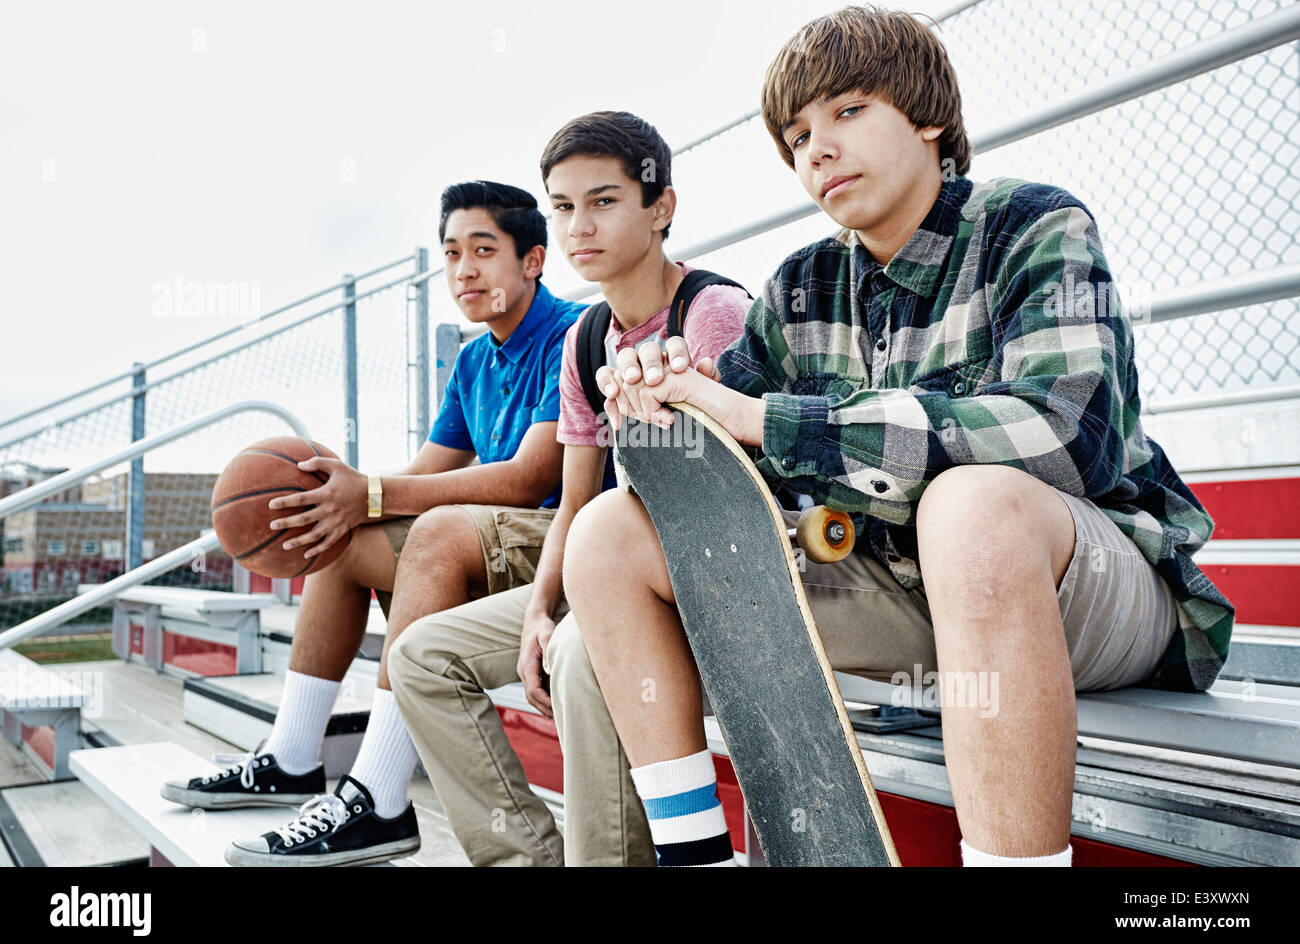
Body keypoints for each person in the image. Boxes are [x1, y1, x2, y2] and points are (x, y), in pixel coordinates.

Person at [564, 5, 1235, 867]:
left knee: (973, 507)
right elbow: (721, 480)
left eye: (846, 112)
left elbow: (1066, 437)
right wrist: (662, 405)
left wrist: (772, 419)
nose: (819, 148)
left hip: (1090, 589)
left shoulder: (1033, 225)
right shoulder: (801, 285)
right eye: (798, 135)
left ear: (928, 119)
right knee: (609, 535)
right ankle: (696, 855)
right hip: (908, 590)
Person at [162, 180, 585, 866]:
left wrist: (376, 492)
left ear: (532, 260)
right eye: (450, 254)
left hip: (564, 548)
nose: (463, 271)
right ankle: (293, 757)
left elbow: (531, 477)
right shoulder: (476, 359)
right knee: (346, 535)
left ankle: (379, 799)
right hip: (491, 551)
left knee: (427, 529)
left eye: (483, 250)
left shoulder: (569, 333)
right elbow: (422, 474)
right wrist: (348, 496)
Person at [387, 111, 751, 865]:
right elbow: (573, 504)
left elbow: (751, 492)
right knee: (423, 656)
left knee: (584, 655)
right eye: (562, 206)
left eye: (604, 200)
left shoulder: (714, 314)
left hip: (706, 576)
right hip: (604, 568)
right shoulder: (586, 339)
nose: (579, 225)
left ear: (661, 208)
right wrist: (538, 612)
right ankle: (525, 858)